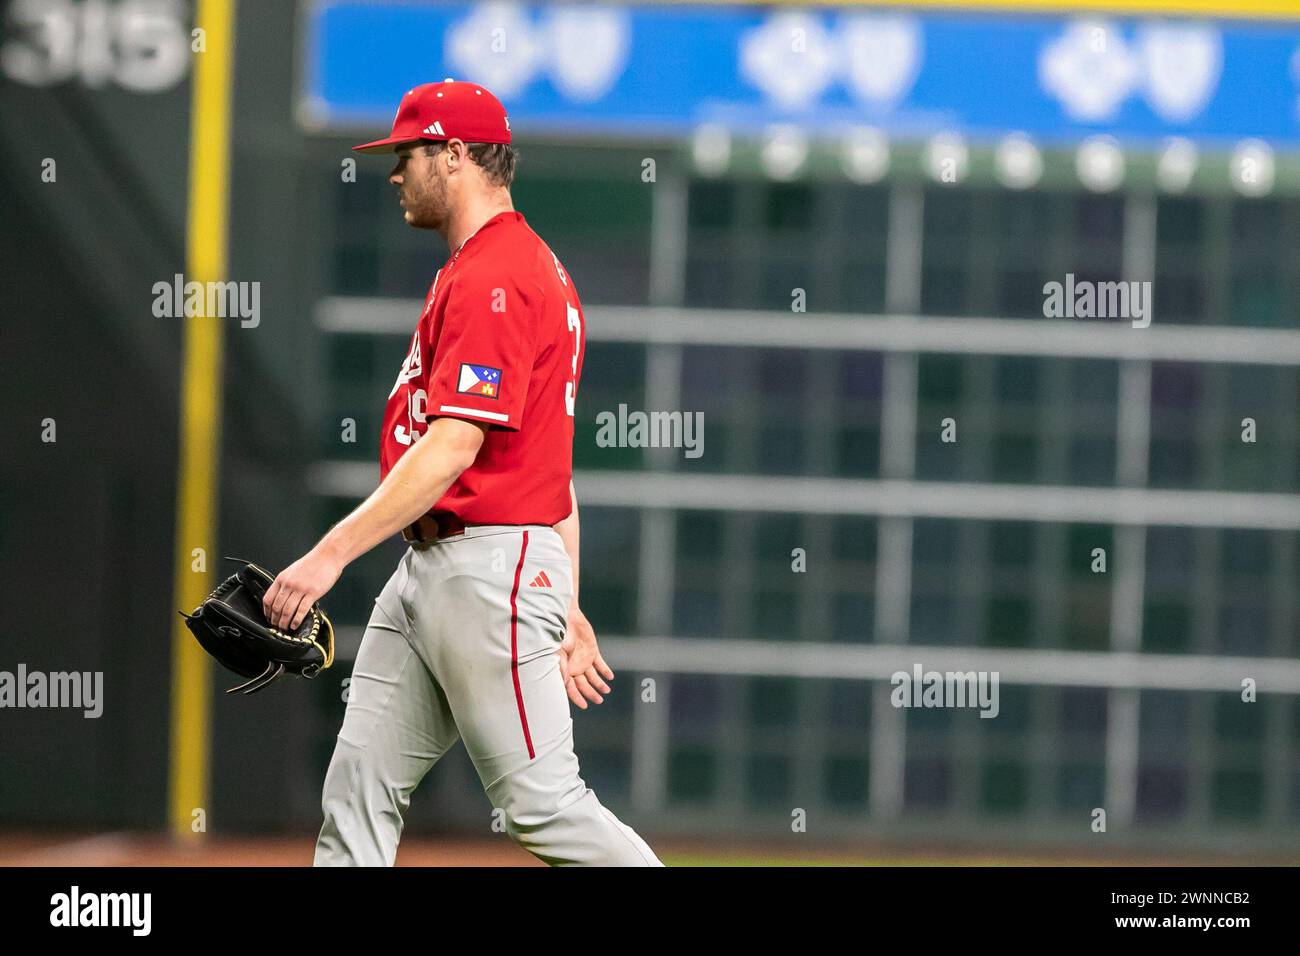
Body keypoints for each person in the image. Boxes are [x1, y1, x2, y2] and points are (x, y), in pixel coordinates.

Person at [262, 80, 661, 867]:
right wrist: (571, 602)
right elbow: (556, 468)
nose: (393, 173)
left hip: (489, 565)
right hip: (440, 568)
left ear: (452, 155)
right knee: (358, 787)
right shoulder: (491, 267)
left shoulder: (499, 275)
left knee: (543, 808)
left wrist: (329, 553)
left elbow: (452, 447)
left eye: (406, 155)